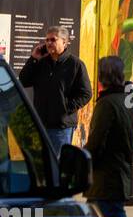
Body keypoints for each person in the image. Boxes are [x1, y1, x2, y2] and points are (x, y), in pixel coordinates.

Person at [18, 25, 93, 155]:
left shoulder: (75, 64)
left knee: (57, 163)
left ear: (64, 42)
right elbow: (24, 81)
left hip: (61, 127)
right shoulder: (41, 63)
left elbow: (86, 93)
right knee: (41, 163)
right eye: (47, 40)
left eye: (53, 40)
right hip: (41, 124)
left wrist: (65, 108)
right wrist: (33, 58)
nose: (48, 43)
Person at [84, 55, 133, 217]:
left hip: (105, 180)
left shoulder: (106, 104)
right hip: (118, 175)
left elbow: (96, 143)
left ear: (101, 77)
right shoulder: (128, 102)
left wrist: (80, 159)